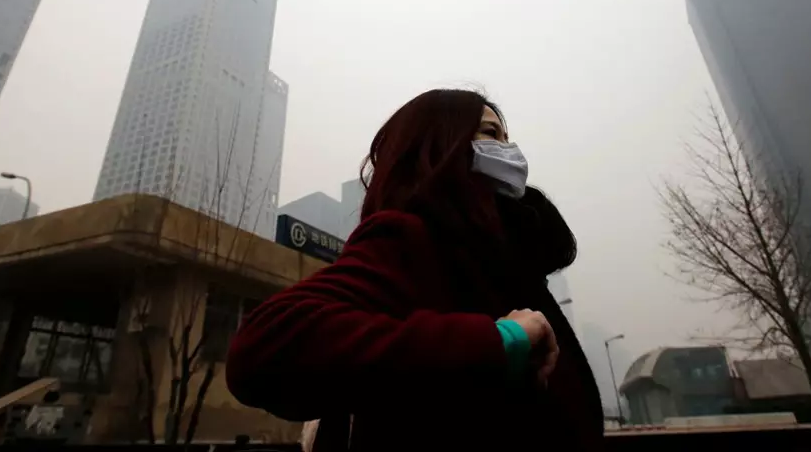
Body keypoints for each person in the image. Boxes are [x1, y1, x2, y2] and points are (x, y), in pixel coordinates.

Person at [226, 89, 604, 451]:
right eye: (490, 133)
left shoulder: (512, 257)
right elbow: (266, 348)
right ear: (438, 147)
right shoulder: (412, 237)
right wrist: (499, 341)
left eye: (508, 138)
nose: (509, 150)